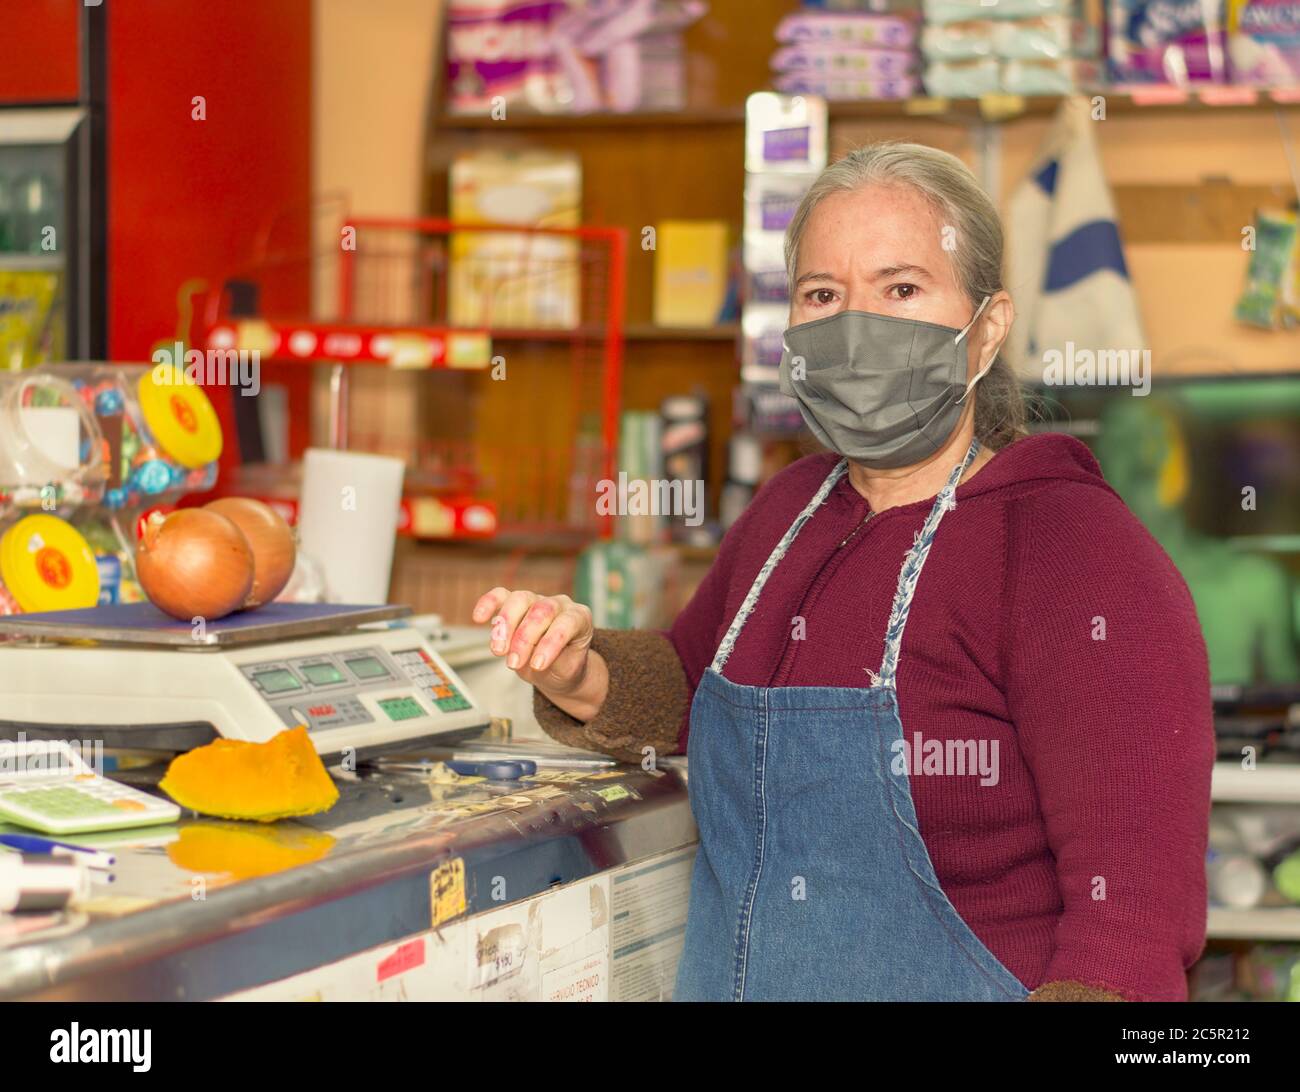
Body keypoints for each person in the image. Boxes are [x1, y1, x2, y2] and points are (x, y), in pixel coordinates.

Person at [473, 142, 1214, 1002]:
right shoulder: (791, 510)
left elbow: (1131, 929)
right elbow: (692, 680)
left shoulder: (1072, 550)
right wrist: (581, 671)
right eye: (823, 295)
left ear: (990, 325)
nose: (857, 328)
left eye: (902, 289)